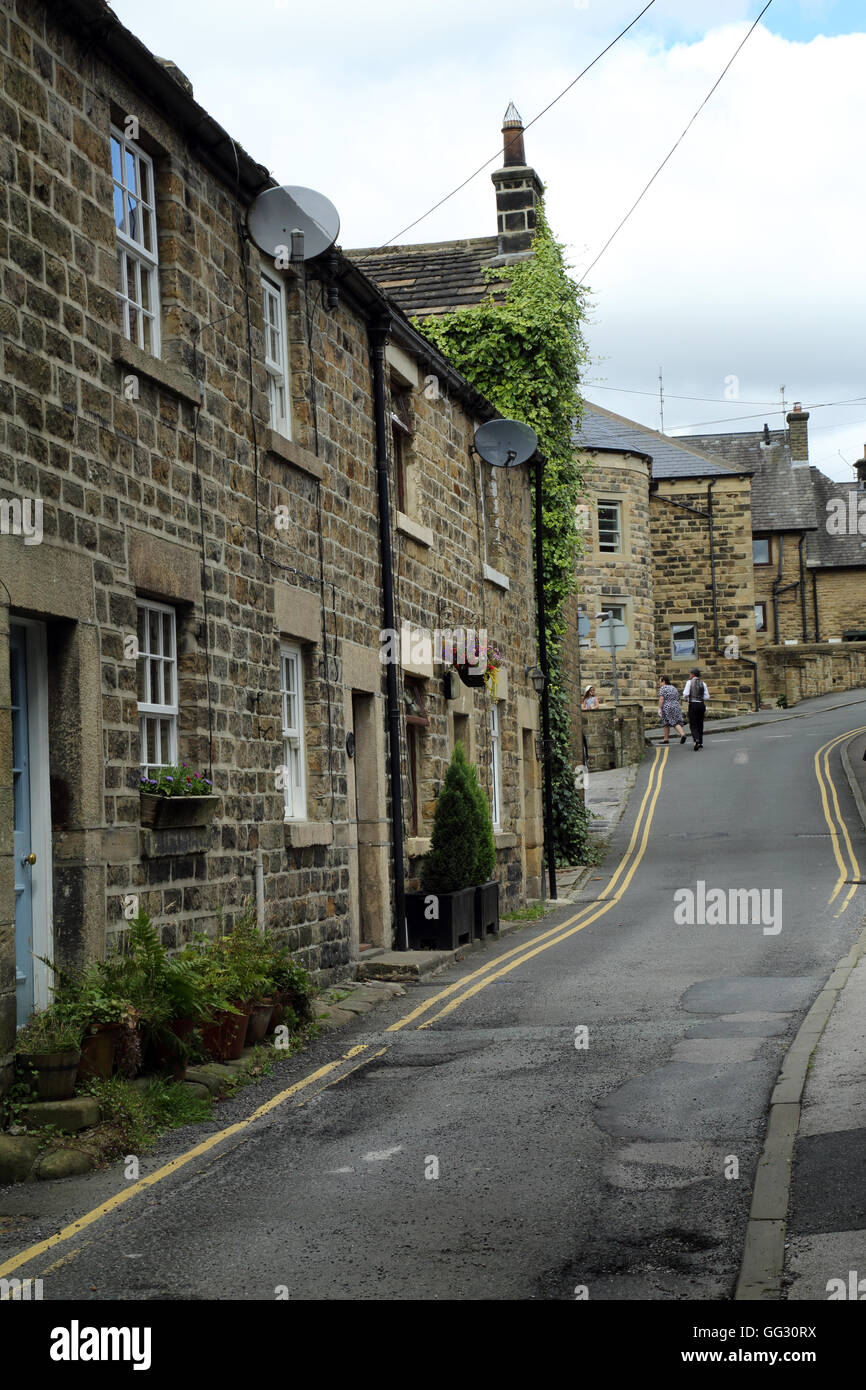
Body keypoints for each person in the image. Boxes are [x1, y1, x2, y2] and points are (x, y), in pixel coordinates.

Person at [682, 667, 710, 750]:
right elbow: (707, 697)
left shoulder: (689, 682)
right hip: (701, 705)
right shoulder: (703, 683)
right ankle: (700, 742)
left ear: (693, 674)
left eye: (690, 674)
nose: (689, 675)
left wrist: (687, 700)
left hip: (693, 705)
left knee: (693, 724)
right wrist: (700, 699)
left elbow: (685, 694)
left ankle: (696, 740)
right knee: (700, 723)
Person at [658, 676, 686, 744]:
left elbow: (661, 698)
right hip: (676, 705)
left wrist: (659, 708)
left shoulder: (663, 688)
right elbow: (678, 698)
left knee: (673, 722)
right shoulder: (673, 688)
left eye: (660, 681)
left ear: (664, 681)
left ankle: (682, 734)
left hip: (667, 706)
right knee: (665, 722)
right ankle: (666, 739)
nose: (659, 683)